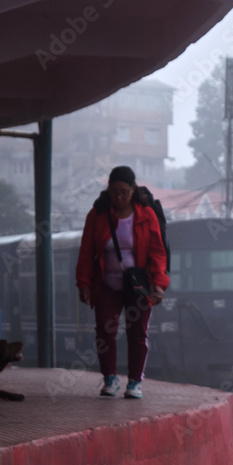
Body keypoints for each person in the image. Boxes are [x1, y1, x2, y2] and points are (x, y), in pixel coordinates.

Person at [76, 165, 169, 398]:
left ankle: (135, 382)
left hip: (139, 283)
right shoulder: (97, 215)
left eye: (124, 192)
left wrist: (158, 283)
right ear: (108, 189)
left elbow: (158, 252)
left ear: (133, 190)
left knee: (137, 332)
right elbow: (86, 251)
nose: (118, 197)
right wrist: (84, 283)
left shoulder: (147, 215)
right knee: (105, 331)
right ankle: (109, 378)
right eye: (114, 191)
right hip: (107, 284)